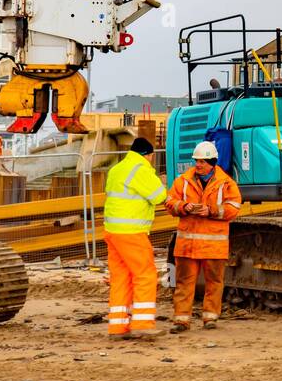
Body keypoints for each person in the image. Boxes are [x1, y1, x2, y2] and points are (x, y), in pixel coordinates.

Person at [165, 140, 241, 331]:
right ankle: (181, 320)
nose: (198, 164)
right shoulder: (182, 181)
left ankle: (210, 318)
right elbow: (170, 202)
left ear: (213, 162)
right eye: (197, 161)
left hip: (213, 246)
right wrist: (184, 207)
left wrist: (211, 211)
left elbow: (234, 208)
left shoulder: (226, 183)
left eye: (203, 161)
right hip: (187, 246)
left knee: (214, 282)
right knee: (183, 283)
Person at [102, 136, 167, 338]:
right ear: (149, 155)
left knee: (121, 277)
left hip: (112, 231)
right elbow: (159, 196)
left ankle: (117, 327)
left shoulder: (117, 169)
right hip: (132, 232)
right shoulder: (141, 169)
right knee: (145, 275)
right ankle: (142, 324)